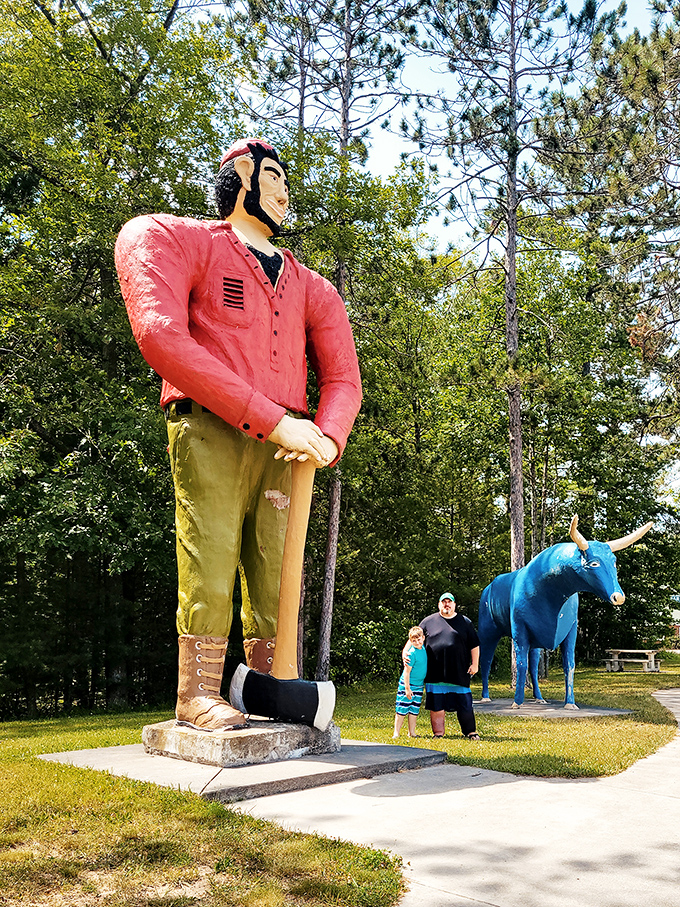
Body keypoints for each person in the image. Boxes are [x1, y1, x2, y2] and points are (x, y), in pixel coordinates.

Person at [115, 138, 362, 731]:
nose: (283, 189)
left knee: (276, 563)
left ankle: (266, 684)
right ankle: (196, 692)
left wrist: (326, 434)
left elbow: (343, 378)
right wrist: (274, 419)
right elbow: (161, 336)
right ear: (241, 177)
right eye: (272, 175)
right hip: (212, 425)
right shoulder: (180, 240)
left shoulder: (313, 286)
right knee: (213, 549)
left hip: (288, 446)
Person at [419, 592, 480, 740]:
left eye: (450, 602)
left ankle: (470, 732)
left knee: (465, 705)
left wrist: (475, 664)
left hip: (459, 672)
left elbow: (474, 645)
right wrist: (406, 653)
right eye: (444, 602)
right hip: (435, 674)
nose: (447, 604)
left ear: (454, 604)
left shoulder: (465, 622)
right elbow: (414, 639)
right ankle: (438, 734)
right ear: (439, 604)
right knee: (436, 706)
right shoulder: (428, 622)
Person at [393, 626, 428, 738]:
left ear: (423, 638)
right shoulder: (411, 654)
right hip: (408, 685)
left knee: (414, 710)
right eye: (414, 641)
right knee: (402, 709)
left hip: (419, 685)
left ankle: (411, 732)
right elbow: (407, 672)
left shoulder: (423, 649)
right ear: (410, 641)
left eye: (419, 639)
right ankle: (396, 733)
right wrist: (407, 689)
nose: (417, 642)